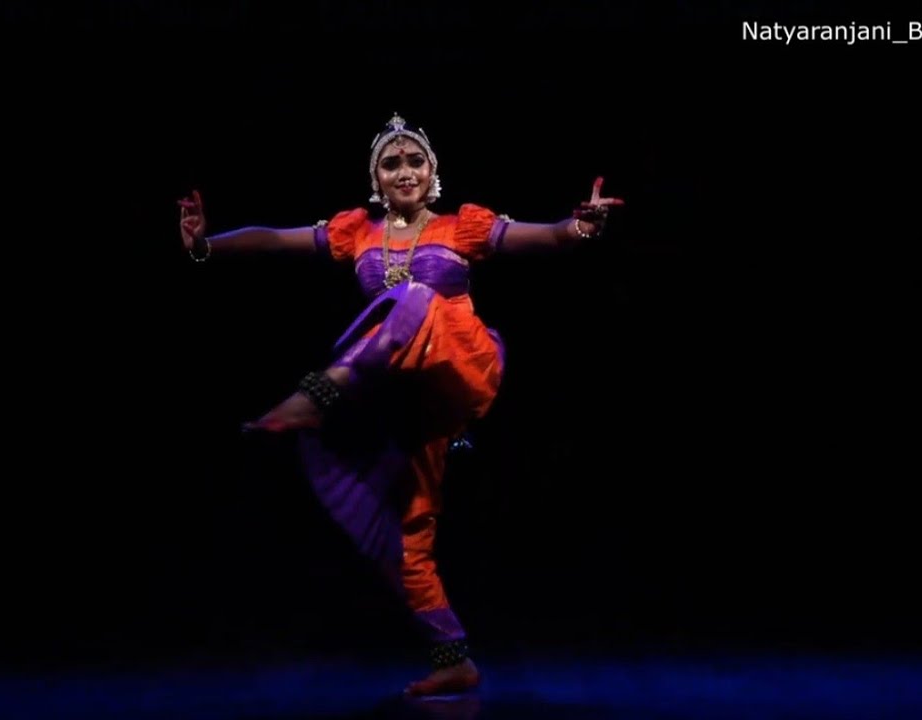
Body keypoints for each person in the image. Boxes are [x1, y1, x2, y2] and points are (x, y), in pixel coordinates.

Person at [177, 114, 623, 696]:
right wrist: (207, 245)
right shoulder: (357, 232)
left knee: (411, 296)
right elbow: (277, 238)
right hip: (409, 396)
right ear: (376, 179)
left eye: (415, 161)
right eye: (392, 163)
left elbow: (546, 236)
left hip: (461, 362)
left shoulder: (463, 227)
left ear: (433, 172)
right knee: (410, 534)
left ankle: (314, 398)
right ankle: (452, 658)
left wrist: (578, 227)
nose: (405, 171)